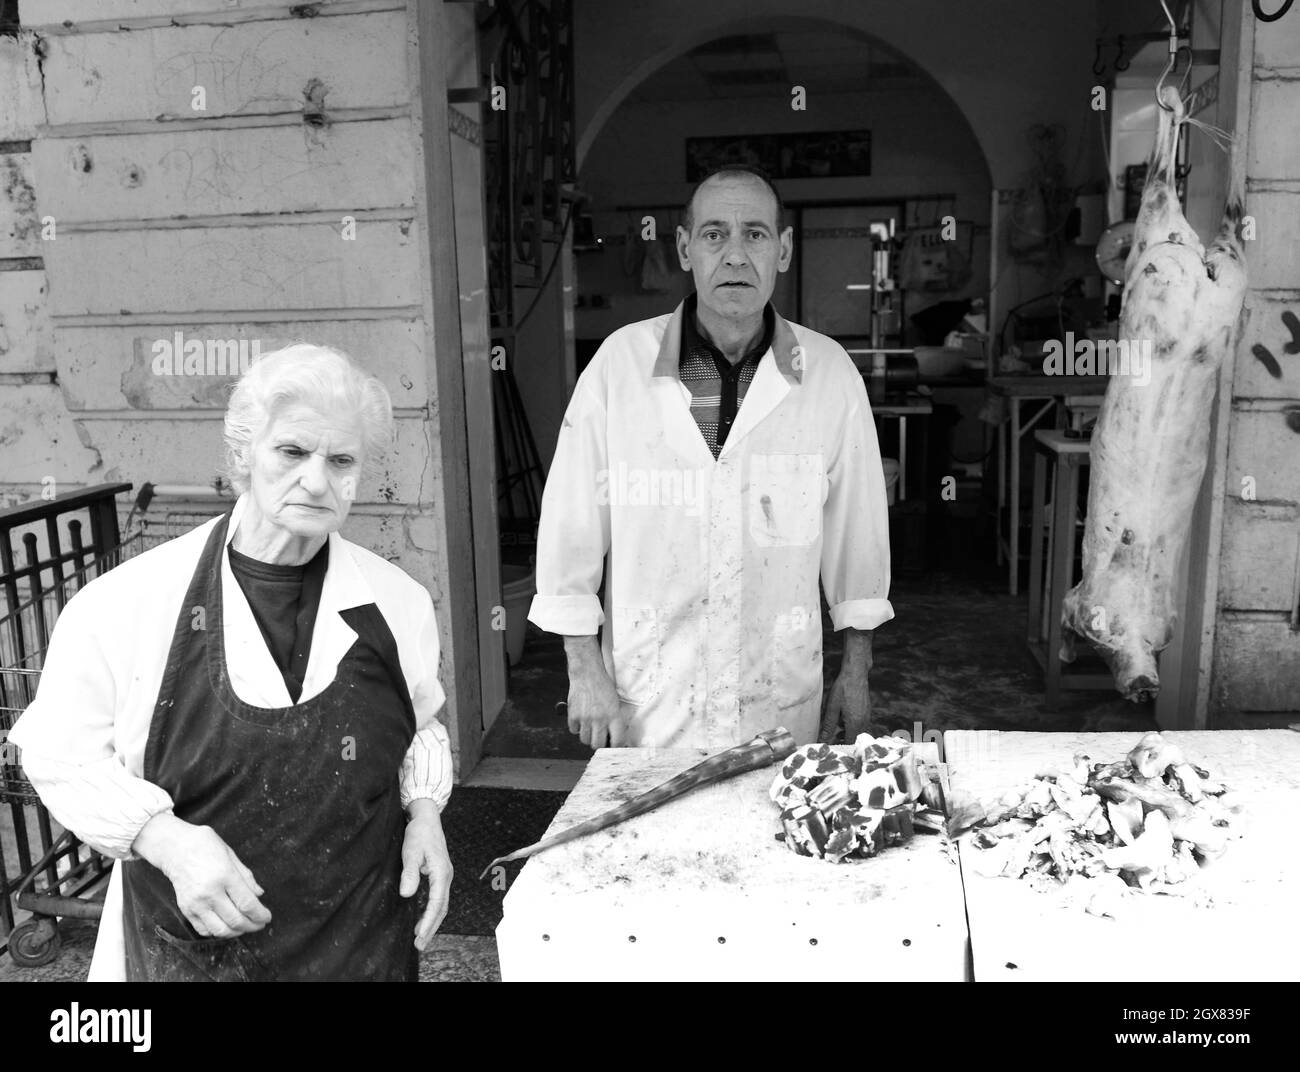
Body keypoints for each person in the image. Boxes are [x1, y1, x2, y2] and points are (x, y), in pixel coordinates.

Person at [9, 344, 454, 981]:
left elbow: (420, 730)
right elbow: (58, 758)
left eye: (342, 459)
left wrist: (427, 814)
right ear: (242, 455)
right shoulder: (127, 604)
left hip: (362, 944)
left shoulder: (398, 604)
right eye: (293, 452)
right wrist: (165, 840)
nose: (317, 479)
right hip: (197, 954)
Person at [528, 166, 895, 752]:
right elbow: (571, 527)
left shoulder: (827, 373)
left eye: (755, 234)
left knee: (769, 834)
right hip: (648, 698)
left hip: (775, 698)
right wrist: (582, 668)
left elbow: (859, 540)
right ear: (684, 248)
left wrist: (856, 671)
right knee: (650, 838)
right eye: (714, 234)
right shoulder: (620, 365)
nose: (735, 256)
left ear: (784, 250)